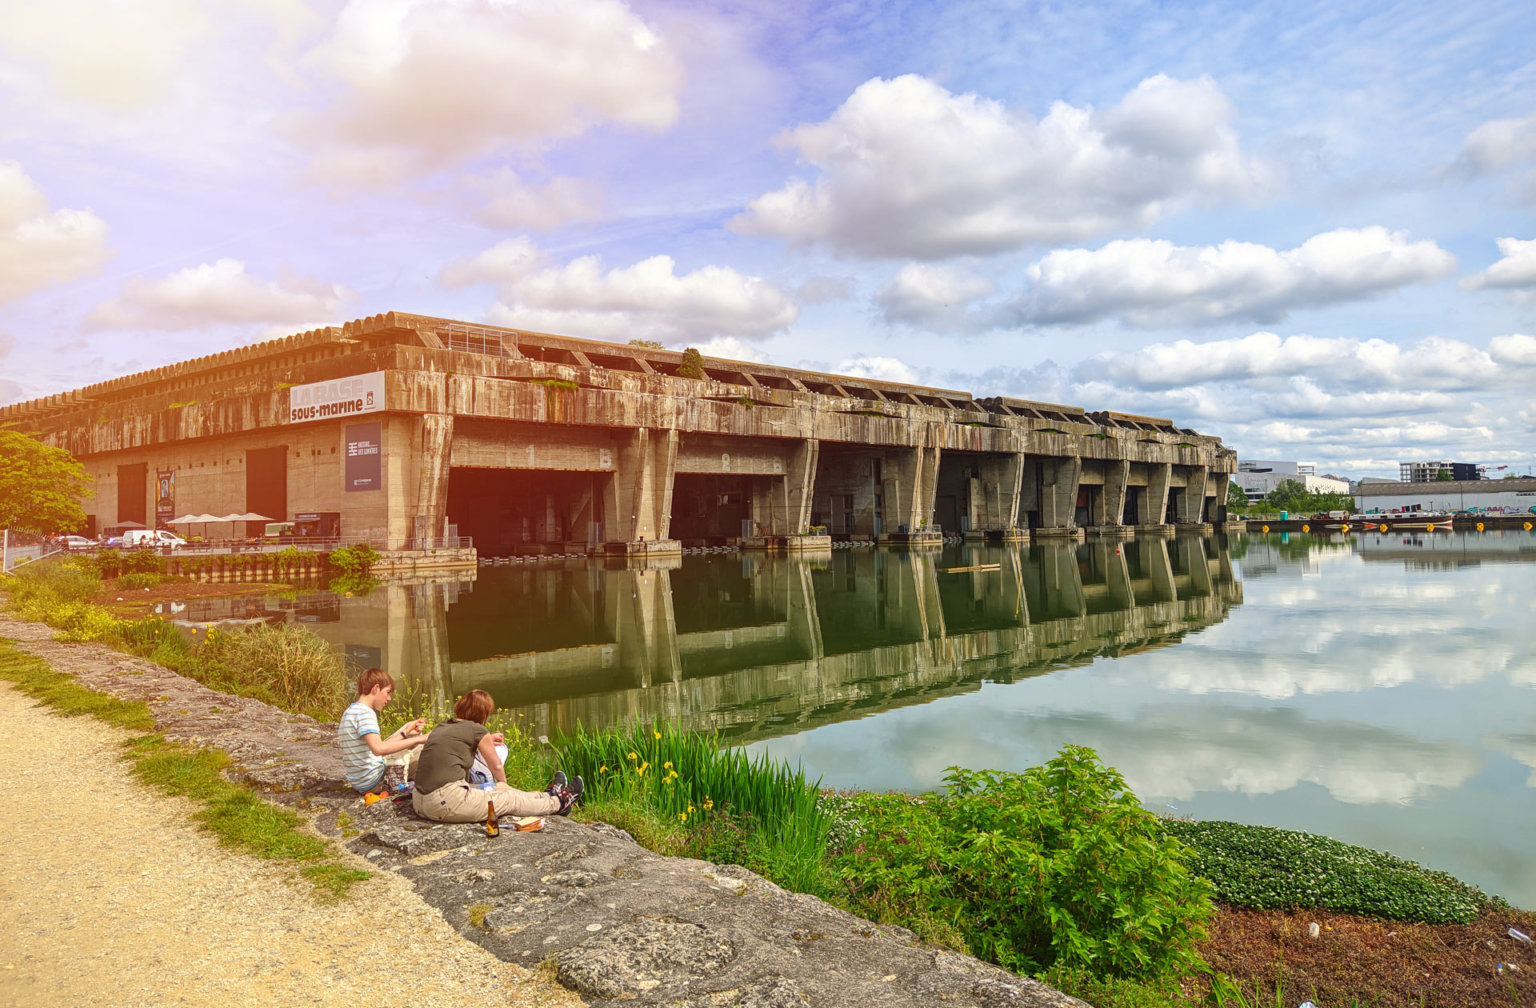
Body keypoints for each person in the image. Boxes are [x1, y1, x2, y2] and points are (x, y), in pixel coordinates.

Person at [412, 689, 581, 823]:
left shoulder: (443, 726)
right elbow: (497, 767)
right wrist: (504, 787)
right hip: (444, 803)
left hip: (420, 800)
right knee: (508, 798)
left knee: (494, 789)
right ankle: (560, 803)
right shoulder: (478, 730)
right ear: (483, 714)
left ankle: (548, 795)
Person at [337, 667, 427, 796]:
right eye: (387, 692)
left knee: (409, 729)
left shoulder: (351, 711)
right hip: (376, 782)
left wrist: (406, 734)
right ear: (376, 688)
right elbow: (378, 749)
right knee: (425, 747)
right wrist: (419, 739)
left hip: (361, 782)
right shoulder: (365, 713)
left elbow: (377, 747)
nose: (389, 698)